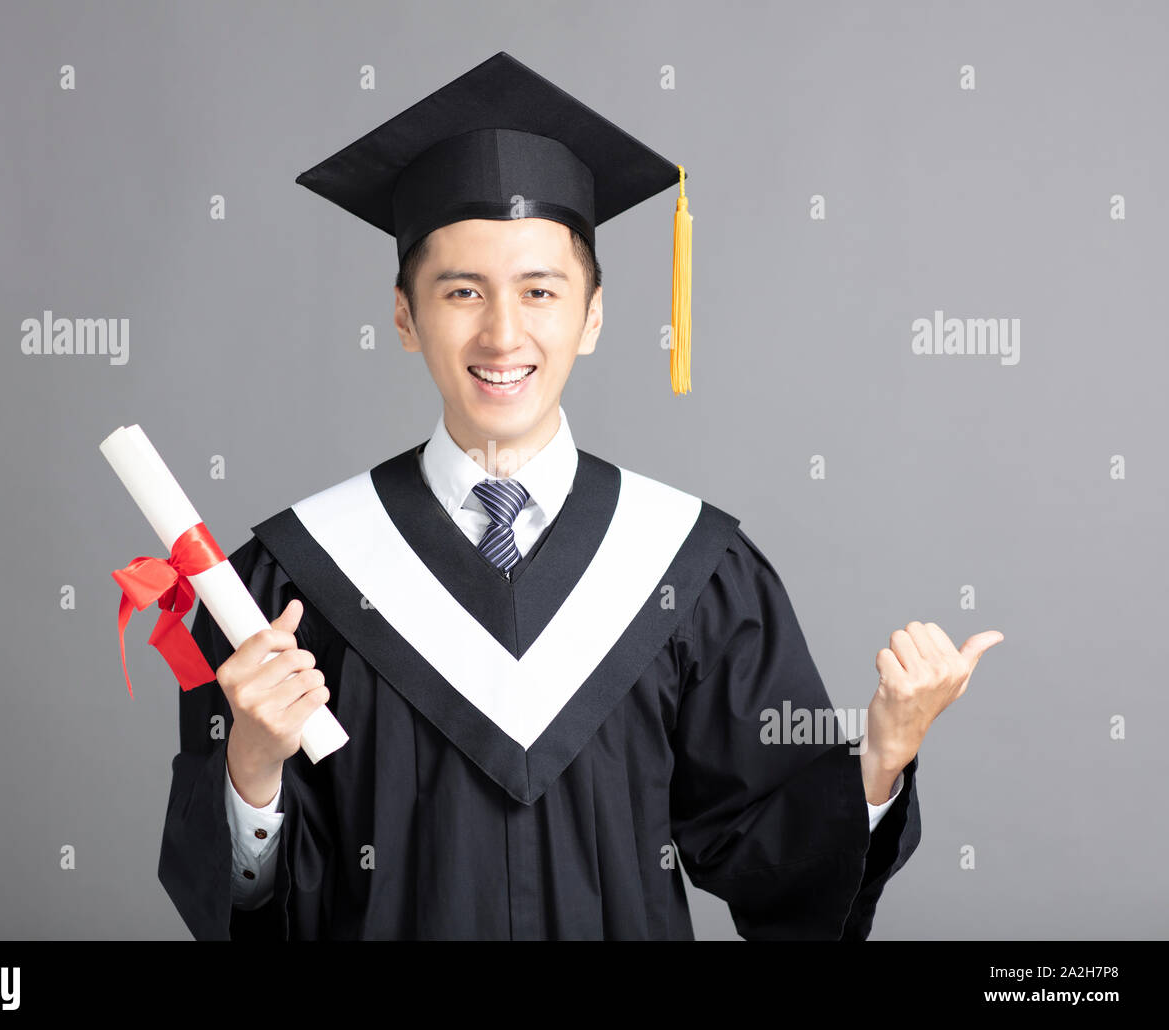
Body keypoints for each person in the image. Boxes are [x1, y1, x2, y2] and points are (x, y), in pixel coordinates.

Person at [157, 51, 1000, 940]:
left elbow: (770, 860)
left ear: (592, 316)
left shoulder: (692, 573)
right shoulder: (291, 585)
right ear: (405, 317)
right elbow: (249, 912)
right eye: (461, 291)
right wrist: (250, 770)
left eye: (540, 291)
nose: (503, 331)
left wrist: (882, 752)